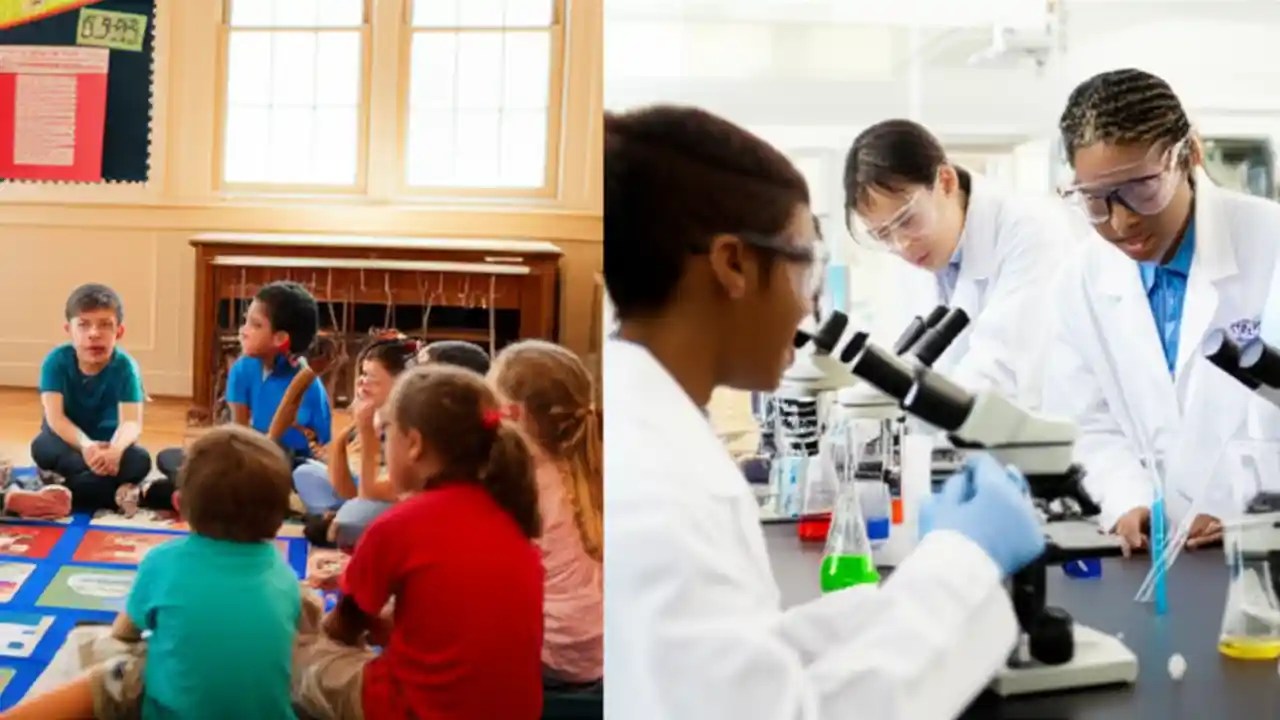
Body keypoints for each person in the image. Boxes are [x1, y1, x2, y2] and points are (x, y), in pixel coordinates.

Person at [604, 104, 1046, 720]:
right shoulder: (658, 489)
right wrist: (964, 564)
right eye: (805, 262)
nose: (812, 301)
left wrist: (921, 585)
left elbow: (750, 653)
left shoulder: (656, 433)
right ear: (733, 264)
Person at [1042, 68, 1280, 552]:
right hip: (1163, 552)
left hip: (1264, 542)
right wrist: (1126, 498)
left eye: (1141, 188)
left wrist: (1246, 505)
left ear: (1189, 154)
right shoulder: (1080, 278)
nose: (1122, 220)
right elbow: (1086, 422)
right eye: (1095, 200)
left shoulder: (1270, 244)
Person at [293, 364, 544, 720]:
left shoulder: (399, 524)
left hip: (413, 709)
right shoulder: (512, 521)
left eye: (386, 436)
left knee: (292, 652)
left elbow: (343, 630)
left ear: (414, 444)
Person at [4, 425, 301, 719]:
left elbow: (124, 632)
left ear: (179, 506)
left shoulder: (164, 561)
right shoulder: (285, 575)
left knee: (92, 654)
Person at [843, 119, 1075, 408]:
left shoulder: (1031, 228)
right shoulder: (909, 253)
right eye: (883, 235)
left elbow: (1001, 370)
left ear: (946, 181)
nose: (901, 245)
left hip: (1037, 433)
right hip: (956, 440)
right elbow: (900, 358)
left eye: (907, 221)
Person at [295, 337, 493, 548]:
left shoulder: (437, 436)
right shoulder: (410, 422)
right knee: (308, 476)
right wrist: (350, 431)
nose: (409, 378)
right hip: (399, 502)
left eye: (420, 374)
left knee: (353, 518)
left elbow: (370, 493)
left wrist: (366, 429)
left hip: (435, 521)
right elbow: (352, 489)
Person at [153, 281, 332, 508]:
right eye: (245, 321)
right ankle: (224, 495)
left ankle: (204, 496)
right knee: (171, 457)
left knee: (300, 471)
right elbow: (238, 431)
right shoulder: (242, 368)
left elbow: (321, 449)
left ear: (280, 339)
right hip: (245, 455)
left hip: (284, 464)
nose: (243, 331)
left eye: (255, 325)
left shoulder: (307, 384)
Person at [491, 340, 603, 686]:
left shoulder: (519, 482)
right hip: (604, 649)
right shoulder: (598, 464)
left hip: (552, 655)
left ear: (515, 414)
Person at [30, 284, 152, 516]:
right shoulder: (55, 362)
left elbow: (131, 423)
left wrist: (115, 450)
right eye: (84, 325)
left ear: (119, 331)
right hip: (69, 443)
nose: (94, 334)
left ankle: (73, 488)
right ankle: (111, 492)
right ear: (69, 330)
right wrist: (87, 447)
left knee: (140, 460)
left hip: (108, 445)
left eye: (105, 325)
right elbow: (56, 418)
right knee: (42, 447)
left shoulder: (126, 367)